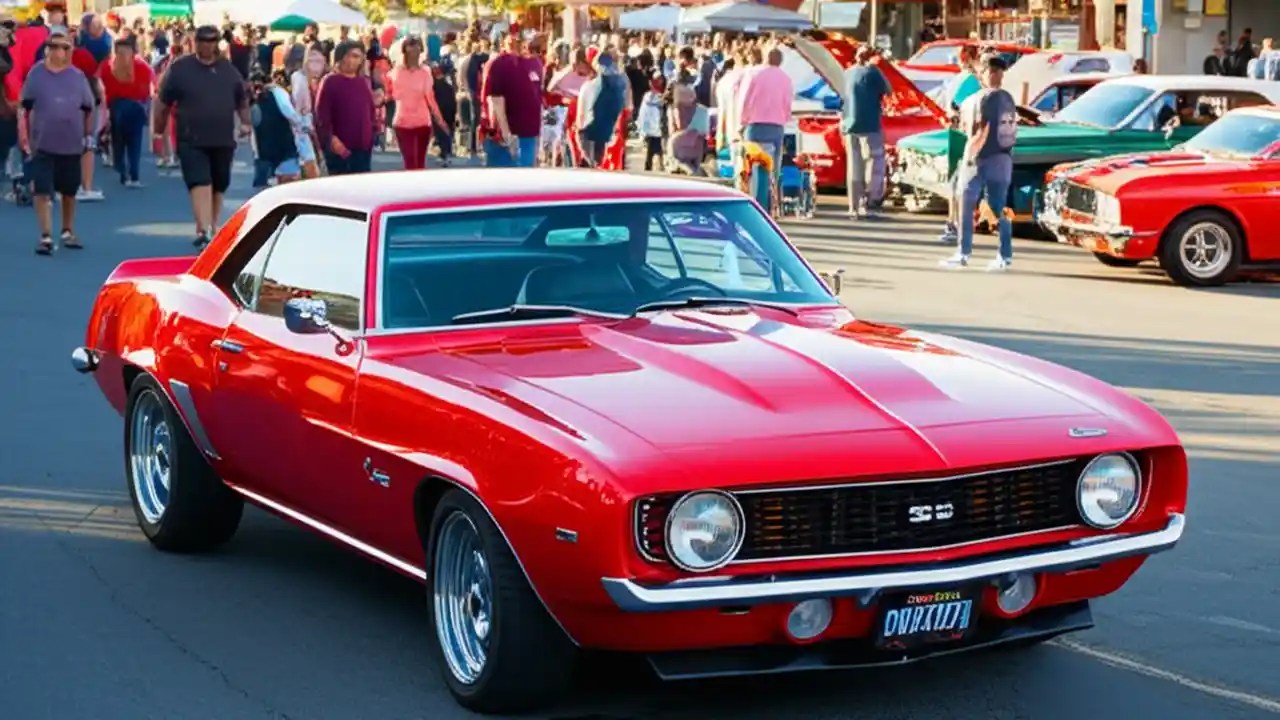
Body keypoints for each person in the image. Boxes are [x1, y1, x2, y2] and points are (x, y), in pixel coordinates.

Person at [153, 24, 251, 248]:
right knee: (200, 180)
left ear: (217, 43)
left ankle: (212, 227)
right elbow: (163, 101)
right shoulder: (180, 69)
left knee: (219, 183)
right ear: (195, 42)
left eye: (211, 41)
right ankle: (203, 228)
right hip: (191, 136)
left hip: (222, 137)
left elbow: (241, 99)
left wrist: (246, 123)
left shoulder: (228, 70)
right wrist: (158, 129)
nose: (206, 45)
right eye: (202, 41)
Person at [19, 30, 94, 254]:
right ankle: (46, 235)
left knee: (69, 191)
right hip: (42, 143)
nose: (60, 51)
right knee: (42, 190)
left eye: (65, 47)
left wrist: (89, 135)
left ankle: (67, 230)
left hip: (71, 143)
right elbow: (25, 106)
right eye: (55, 47)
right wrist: (24, 137)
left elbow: (89, 107)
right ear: (48, 50)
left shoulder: (77, 76)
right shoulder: (36, 75)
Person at [940, 55, 1017, 272]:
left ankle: (963, 252)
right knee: (1001, 207)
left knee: (966, 202)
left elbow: (973, 128)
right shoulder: (1008, 98)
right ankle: (1005, 255)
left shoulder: (978, 98)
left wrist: (971, 153)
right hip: (1003, 157)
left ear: (984, 73)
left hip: (979, 158)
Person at [478, 28, 543, 167]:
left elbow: (538, 97)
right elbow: (495, 100)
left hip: (529, 135)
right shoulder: (499, 64)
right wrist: (507, 135)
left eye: (520, 37)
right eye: (512, 37)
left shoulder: (536, 63)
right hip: (505, 137)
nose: (516, 41)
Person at [735, 46, 793, 194]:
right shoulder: (786, 79)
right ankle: (771, 198)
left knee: (750, 165)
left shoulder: (753, 74)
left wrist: (741, 122)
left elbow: (744, 100)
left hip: (755, 126)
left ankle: (751, 197)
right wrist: (785, 119)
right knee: (774, 166)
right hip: (776, 126)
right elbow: (787, 105)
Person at [314, 40, 376, 175]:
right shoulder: (330, 81)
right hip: (340, 149)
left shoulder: (363, 82)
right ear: (340, 57)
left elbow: (370, 112)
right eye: (350, 55)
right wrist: (332, 139)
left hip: (362, 149)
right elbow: (322, 116)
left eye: (357, 57)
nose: (353, 61)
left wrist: (371, 135)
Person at [841, 46, 889, 218]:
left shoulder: (847, 73)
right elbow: (887, 91)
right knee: (873, 162)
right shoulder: (873, 73)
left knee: (853, 166)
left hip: (848, 124)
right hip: (870, 125)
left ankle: (853, 206)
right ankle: (867, 200)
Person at [98, 35, 152, 188]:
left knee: (118, 141)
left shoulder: (107, 66)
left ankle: (123, 171)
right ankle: (134, 176)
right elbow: (145, 89)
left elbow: (102, 87)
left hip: (116, 106)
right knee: (135, 143)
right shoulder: (141, 66)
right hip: (136, 106)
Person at [387, 34, 447, 171]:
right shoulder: (395, 72)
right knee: (409, 161)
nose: (414, 51)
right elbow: (390, 93)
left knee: (420, 163)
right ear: (404, 50)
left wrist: (440, 119)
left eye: (417, 47)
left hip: (422, 122)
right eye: (411, 46)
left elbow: (430, 97)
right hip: (402, 122)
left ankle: (420, 190)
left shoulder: (425, 72)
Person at [250, 69, 303, 185]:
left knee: (262, 186)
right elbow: (290, 113)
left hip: (262, 147)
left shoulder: (254, 98)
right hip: (283, 142)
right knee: (288, 182)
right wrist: (300, 125)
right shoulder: (278, 92)